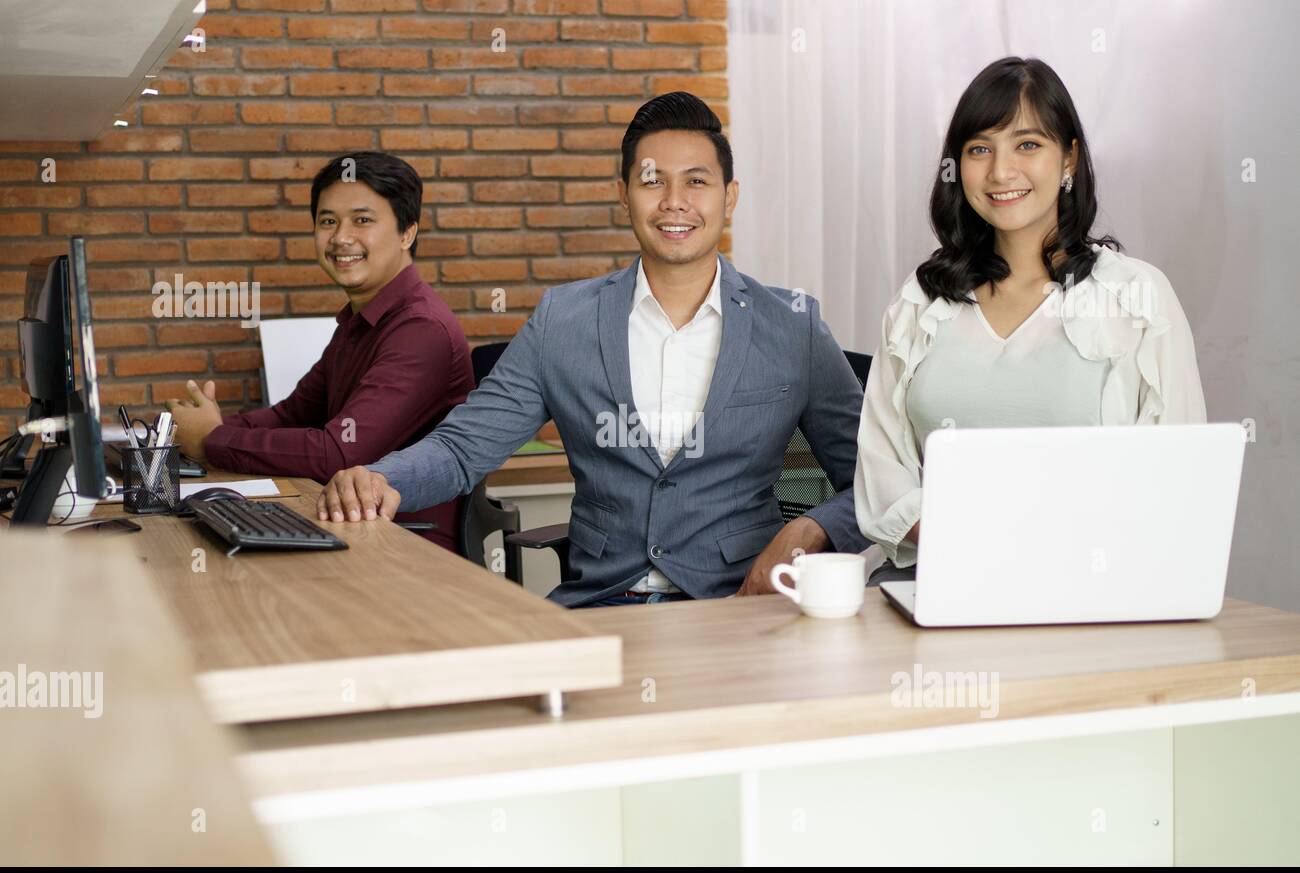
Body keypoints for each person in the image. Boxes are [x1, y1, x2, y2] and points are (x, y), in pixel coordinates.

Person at [318, 92, 870, 607]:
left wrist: (809, 528)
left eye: (696, 182)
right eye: (653, 181)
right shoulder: (565, 319)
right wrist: (381, 478)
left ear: (729, 197)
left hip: (738, 606)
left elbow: (873, 479)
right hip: (601, 606)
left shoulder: (793, 326)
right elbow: (464, 448)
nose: (674, 202)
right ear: (624, 193)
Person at [855, 57, 1207, 586]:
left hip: (1088, 590)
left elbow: (1178, 478)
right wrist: (972, 543)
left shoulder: (1135, 296)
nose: (1001, 172)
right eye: (979, 149)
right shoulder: (920, 302)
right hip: (937, 587)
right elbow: (882, 470)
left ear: (1069, 159)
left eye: (1027, 144)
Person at [164, 152, 474, 553]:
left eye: (362, 220)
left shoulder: (420, 328)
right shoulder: (358, 323)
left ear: (406, 233)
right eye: (328, 221)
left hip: (409, 545)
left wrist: (211, 440)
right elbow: (288, 416)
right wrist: (200, 426)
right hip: (352, 528)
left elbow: (338, 453)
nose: (341, 237)